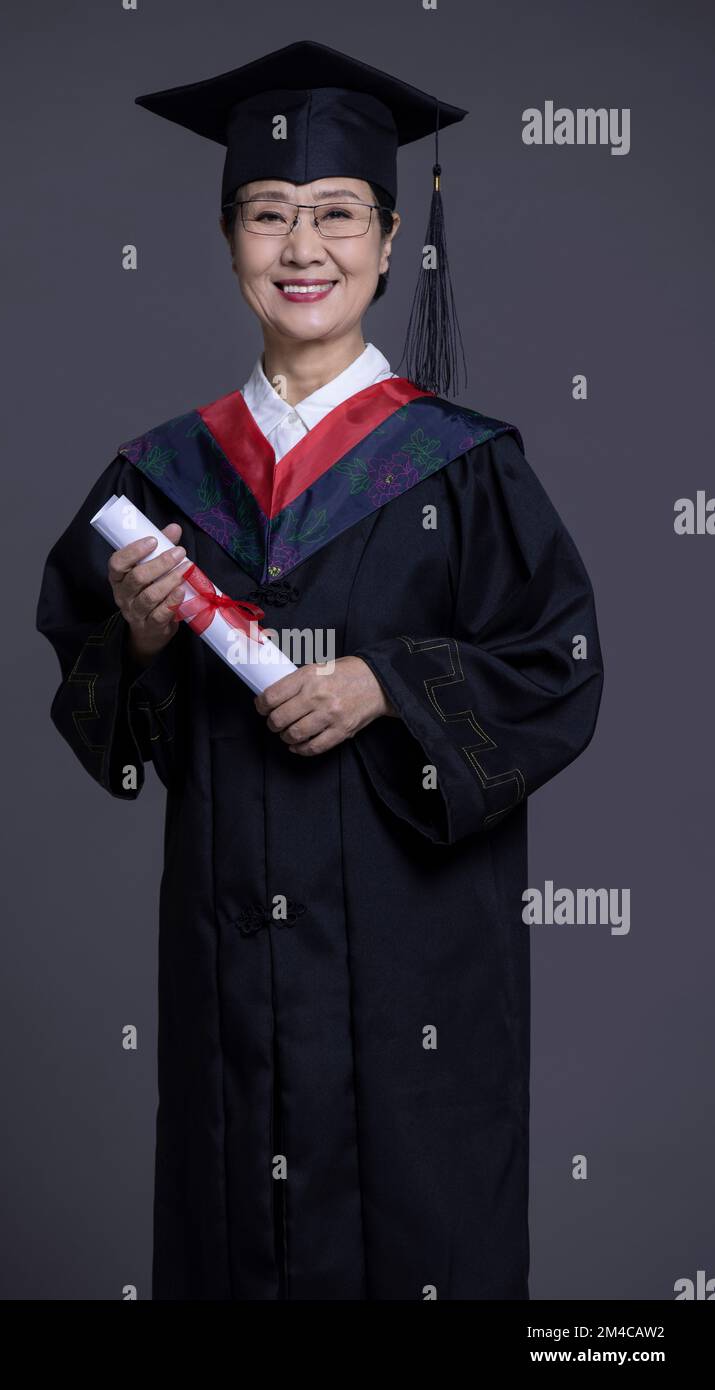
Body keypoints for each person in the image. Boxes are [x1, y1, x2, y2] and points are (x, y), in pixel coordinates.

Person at [36, 41, 604, 1301]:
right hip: (230, 958)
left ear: (392, 239)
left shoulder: (463, 466)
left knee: (418, 1238)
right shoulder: (163, 473)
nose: (304, 246)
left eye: (338, 213)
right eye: (268, 214)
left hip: (416, 969)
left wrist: (387, 684)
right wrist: (136, 637)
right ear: (231, 239)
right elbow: (105, 714)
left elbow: (559, 667)